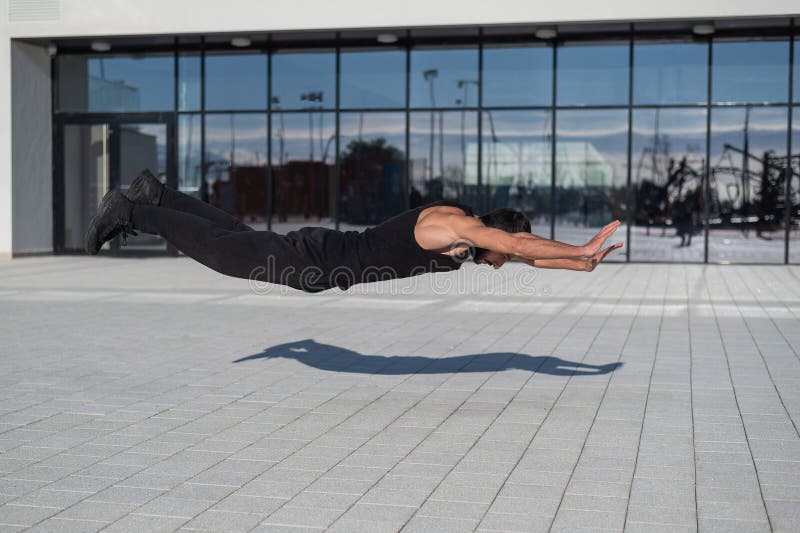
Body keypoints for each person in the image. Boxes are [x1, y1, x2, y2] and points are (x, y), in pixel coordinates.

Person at [85, 169, 623, 293]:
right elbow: (522, 247)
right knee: (222, 252)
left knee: (232, 234)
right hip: (316, 261)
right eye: (503, 252)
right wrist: (580, 244)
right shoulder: (457, 226)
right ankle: (130, 211)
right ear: (497, 235)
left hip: (323, 257)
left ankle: (159, 196)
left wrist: (581, 261)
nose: (504, 263)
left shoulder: (467, 239)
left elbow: (532, 256)